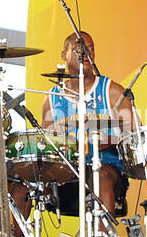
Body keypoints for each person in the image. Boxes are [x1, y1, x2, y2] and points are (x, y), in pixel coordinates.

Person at [9, 31, 134, 224]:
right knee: (20, 185)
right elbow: (46, 143)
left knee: (100, 176)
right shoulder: (51, 99)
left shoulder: (112, 91)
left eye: (91, 49)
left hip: (105, 169)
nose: (86, 53)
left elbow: (133, 136)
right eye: (79, 49)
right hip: (64, 174)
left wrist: (104, 141)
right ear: (64, 55)